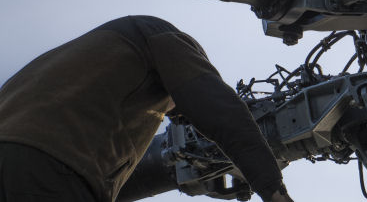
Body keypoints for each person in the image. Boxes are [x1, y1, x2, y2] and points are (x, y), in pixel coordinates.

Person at [0, 15, 294, 202]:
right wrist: (273, 190)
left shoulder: (77, 63)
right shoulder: (163, 38)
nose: (177, 117)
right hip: (52, 167)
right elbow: (223, 114)